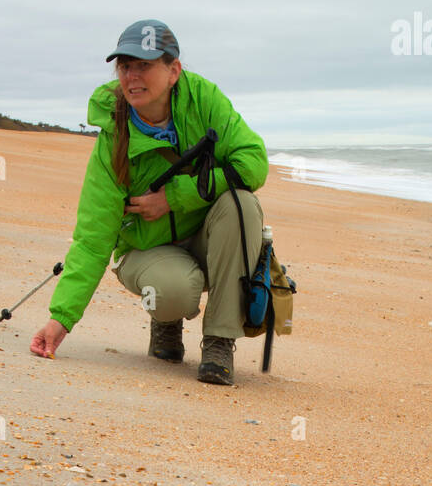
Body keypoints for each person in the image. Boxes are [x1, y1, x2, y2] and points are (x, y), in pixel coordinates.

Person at [30, 20, 268, 386]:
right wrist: (61, 319)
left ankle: (220, 341)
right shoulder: (114, 134)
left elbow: (253, 162)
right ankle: (165, 322)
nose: (132, 76)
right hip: (146, 250)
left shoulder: (204, 100)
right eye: (125, 66)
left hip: (206, 239)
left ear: (174, 70)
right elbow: (94, 237)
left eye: (144, 65)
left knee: (243, 205)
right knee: (172, 291)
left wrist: (174, 197)